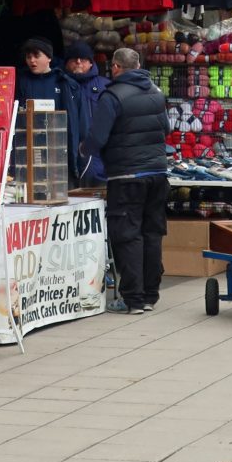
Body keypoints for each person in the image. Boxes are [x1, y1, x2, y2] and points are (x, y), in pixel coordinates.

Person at [87, 48, 169, 315]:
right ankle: (150, 295)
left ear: (116, 67)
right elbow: (165, 128)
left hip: (127, 175)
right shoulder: (156, 93)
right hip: (158, 173)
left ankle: (132, 298)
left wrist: (82, 152)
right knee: (152, 233)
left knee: (128, 235)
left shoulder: (112, 96)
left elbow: (97, 138)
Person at [15, 37, 86, 181]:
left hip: (58, 151)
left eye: (36, 56)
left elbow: (79, 121)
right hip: (28, 149)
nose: (32, 61)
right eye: (28, 57)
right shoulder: (20, 82)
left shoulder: (65, 83)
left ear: (49, 57)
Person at [65, 41, 111, 184]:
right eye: (73, 59)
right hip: (65, 148)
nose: (78, 62)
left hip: (97, 152)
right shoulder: (60, 83)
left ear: (91, 63)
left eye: (83, 59)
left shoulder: (105, 85)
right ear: (66, 63)